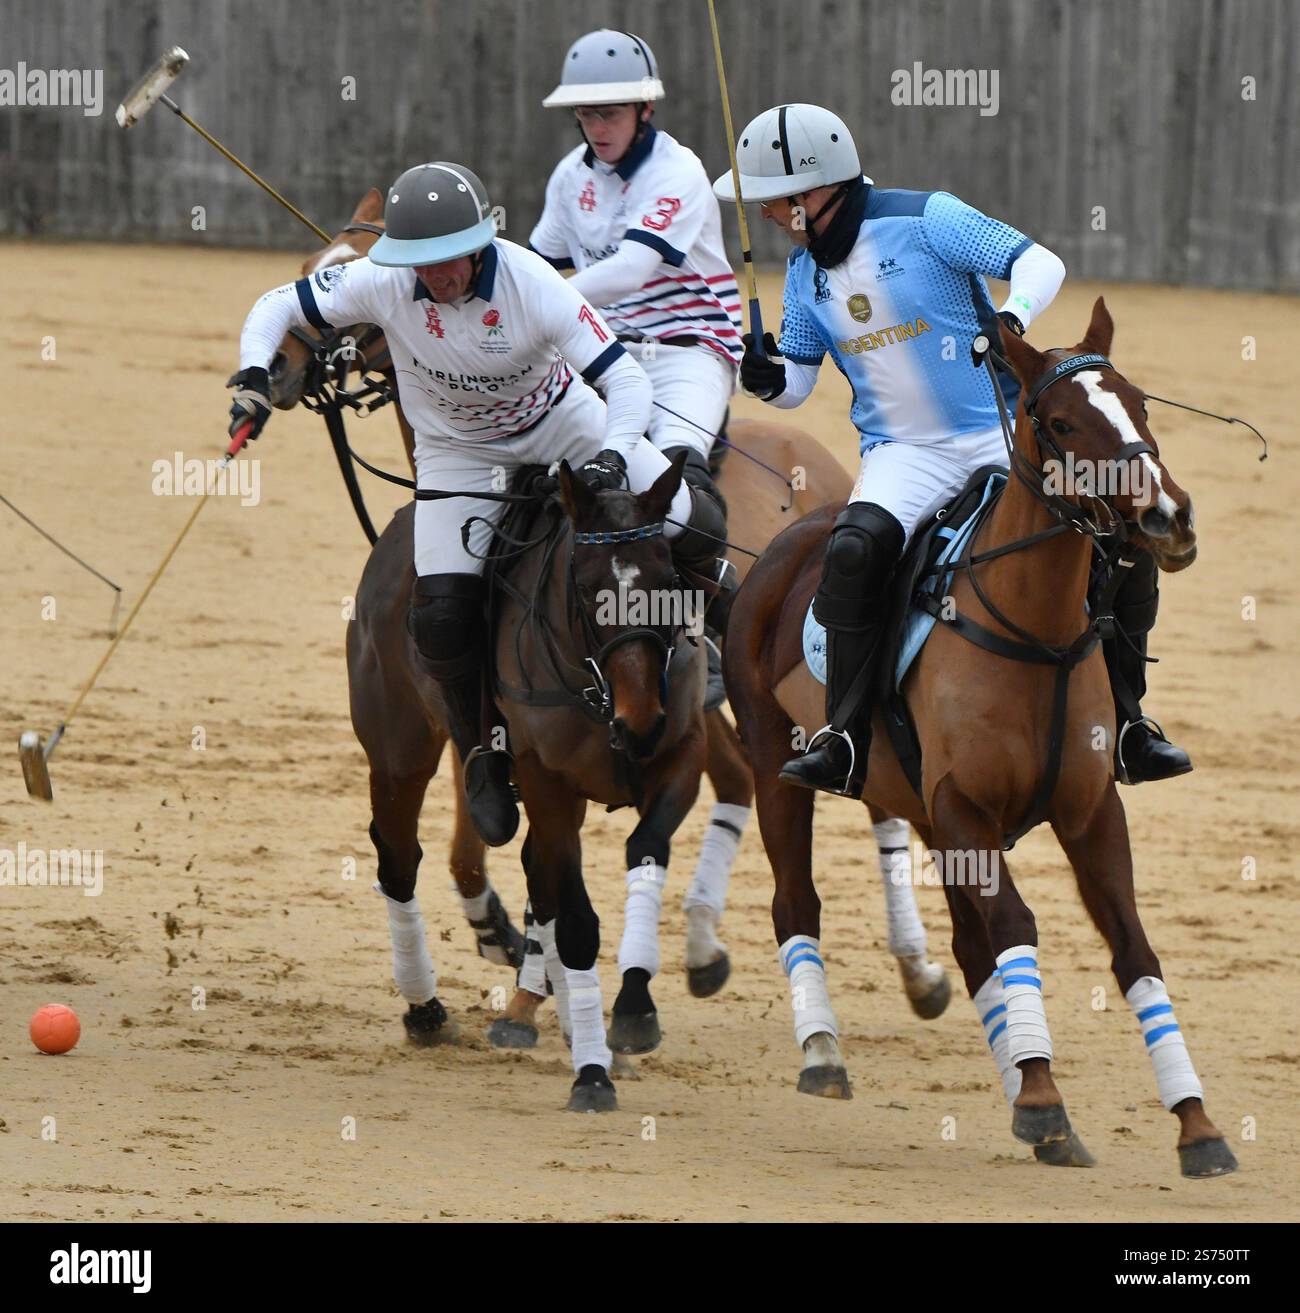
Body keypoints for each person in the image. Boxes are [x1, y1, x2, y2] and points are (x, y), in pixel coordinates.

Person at [228, 161, 728, 845]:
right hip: (459, 454)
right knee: (438, 617)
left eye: (447, 261)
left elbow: (627, 383)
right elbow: (276, 305)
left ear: (478, 244)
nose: (435, 277)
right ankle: (483, 755)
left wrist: (611, 455)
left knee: (695, 523)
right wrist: (254, 372)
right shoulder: (381, 281)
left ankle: (714, 655)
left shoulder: (531, 284)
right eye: (419, 264)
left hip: (563, 423)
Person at [714, 103, 1191, 796]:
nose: (763, 215)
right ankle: (845, 736)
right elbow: (795, 383)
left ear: (813, 192)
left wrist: (1011, 317)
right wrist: (767, 377)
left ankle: (1128, 723)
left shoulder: (927, 219)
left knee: (1115, 537)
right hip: (902, 453)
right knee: (853, 550)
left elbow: (1039, 262)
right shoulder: (802, 273)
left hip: (997, 432)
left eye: (770, 202)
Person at [531, 28, 742, 702]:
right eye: (588, 115)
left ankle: (712, 633)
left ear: (645, 111)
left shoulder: (676, 172)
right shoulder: (570, 178)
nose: (598, 127)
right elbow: (539, 263)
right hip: (606, 353)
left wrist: (536, 299)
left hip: (689, 352)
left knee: (681, 495)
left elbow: (630, 269)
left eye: (612, 113)